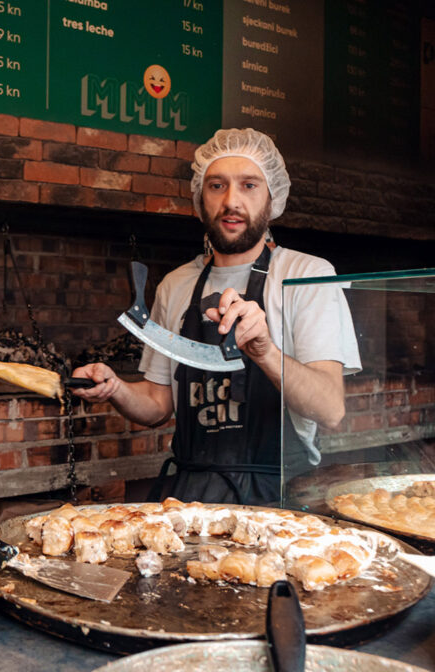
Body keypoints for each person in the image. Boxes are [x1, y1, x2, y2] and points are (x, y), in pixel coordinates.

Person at [72, 128, 361, 505]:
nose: (231, 201)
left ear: (272, 199)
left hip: (281, 499)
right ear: (200, 199)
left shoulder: (307, 276)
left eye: (249, 185)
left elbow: (331, 410)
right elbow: (158, 405)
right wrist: (115, 388)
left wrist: (265, 352)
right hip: (191, 496)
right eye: (217, 186)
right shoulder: (176, 286)